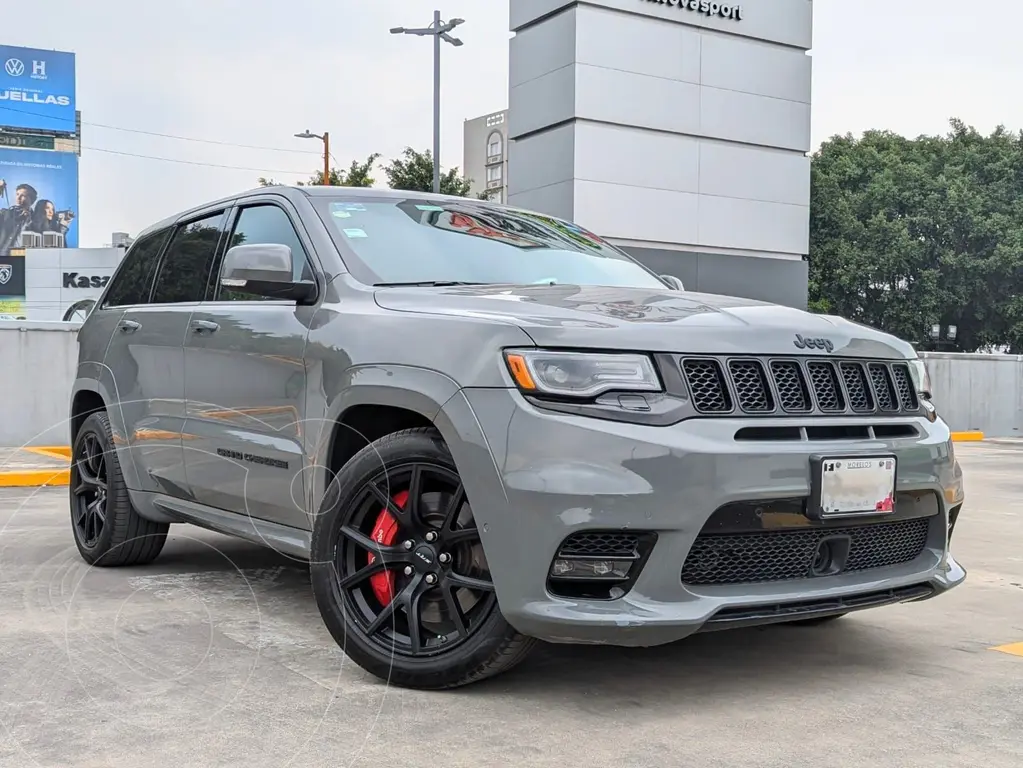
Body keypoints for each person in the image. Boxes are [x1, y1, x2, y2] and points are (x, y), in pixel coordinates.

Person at [0, 181, 38, 253]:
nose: (18, 197)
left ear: (31, 200)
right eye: (17, 194)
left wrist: (29, 220)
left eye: (23, 195)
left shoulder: (36, 219)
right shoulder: (4, 213)